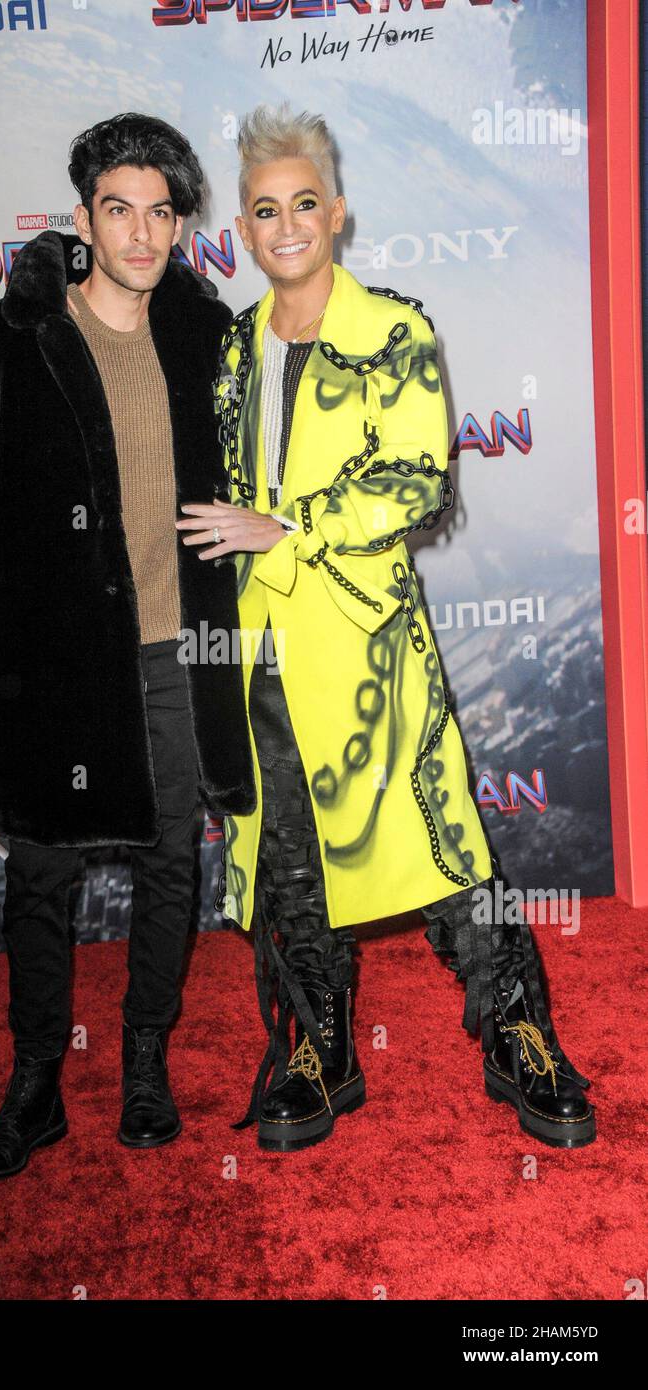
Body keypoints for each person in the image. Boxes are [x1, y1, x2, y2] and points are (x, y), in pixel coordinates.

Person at [176, 103, 595, 1153]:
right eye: (263, 208)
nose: (283, 225)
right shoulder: (231, 350)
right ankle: (320, 1048)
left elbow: (414, 480)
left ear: (338, 210)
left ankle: (518, 1034)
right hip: (263, 645)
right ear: (244, 224)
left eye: (302, 203)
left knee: (443, 841)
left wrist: (292, 525)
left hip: (367, 645)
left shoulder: (394, 331)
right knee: (293, 857)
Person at [0, 113, 255, 1180]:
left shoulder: (206, 339)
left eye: (162, 213)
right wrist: (23, 609)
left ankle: (143, 1060)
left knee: (168, 864)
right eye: (121, 210)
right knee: (43, 877)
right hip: (62, 666)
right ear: (83, 219)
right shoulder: (5, 344)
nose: (143, 235)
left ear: (178, 225)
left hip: (173, 653)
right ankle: (35, 1087)